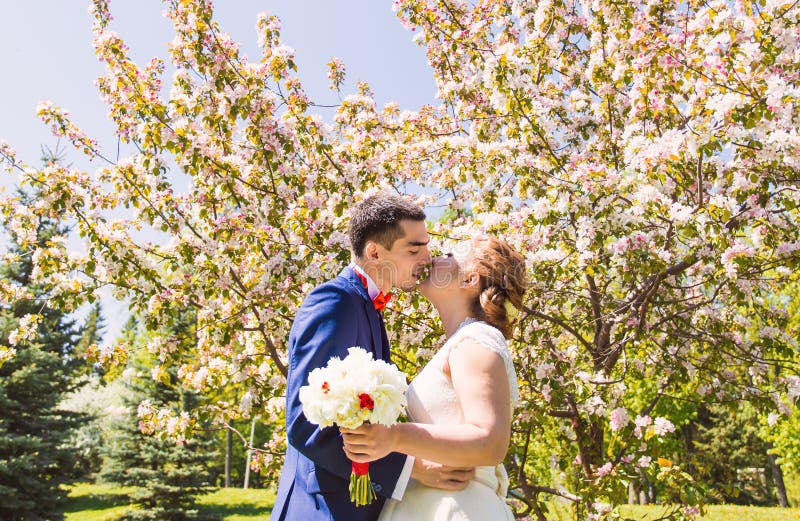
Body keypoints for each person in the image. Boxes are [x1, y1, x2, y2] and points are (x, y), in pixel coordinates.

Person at [272, 193, 477, 521]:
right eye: (414, 249)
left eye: (426, 246)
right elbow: (306, 424)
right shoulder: (335, 303)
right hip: (322, 509)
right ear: (374, 252)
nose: (427, 258)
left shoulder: (366, 306)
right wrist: (412, 468)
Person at [341, 235, 527, 521]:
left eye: (448, 256)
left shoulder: (476, 339)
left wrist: (395, 437)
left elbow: (490, 441)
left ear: (469, 279)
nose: (430, 259)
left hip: (460, 508)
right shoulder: (462, 341)